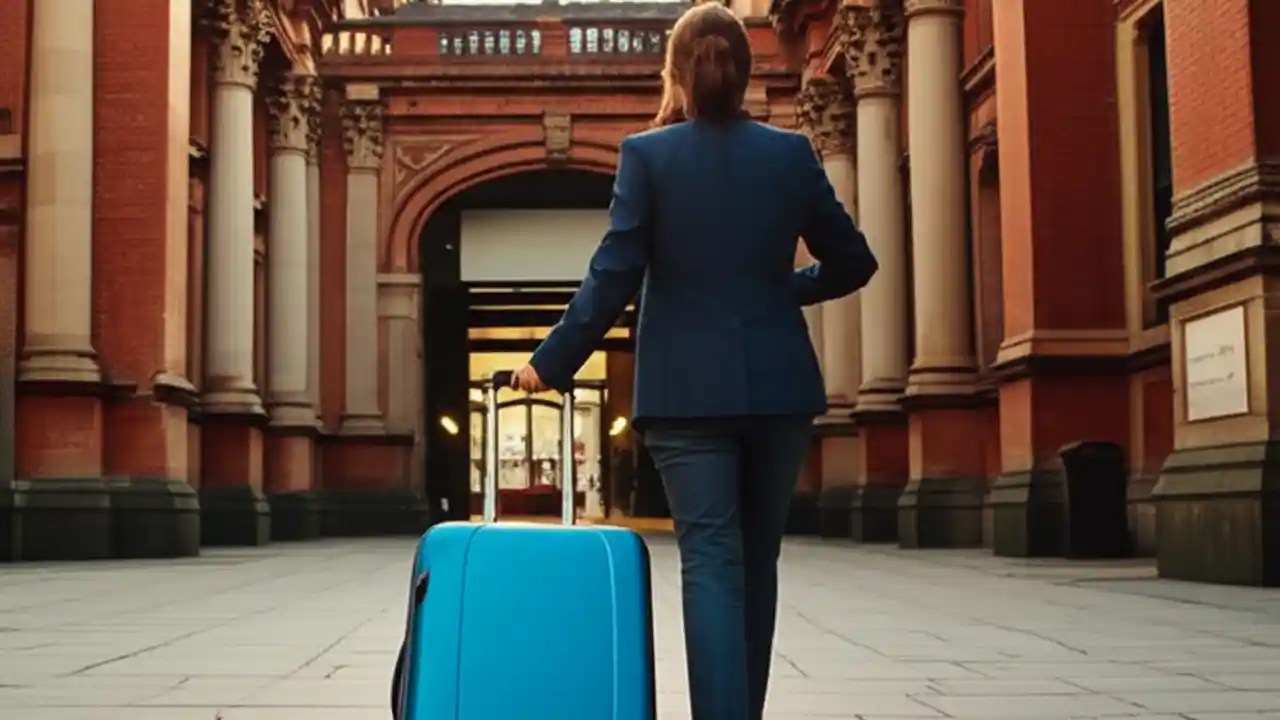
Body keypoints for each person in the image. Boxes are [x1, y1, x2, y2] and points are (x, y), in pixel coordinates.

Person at [510, 3, 877, 717]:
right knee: (757, 563)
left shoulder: (649, 157)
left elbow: (613, 273)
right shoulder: (790, 154)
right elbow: (854, 262)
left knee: (711, 562)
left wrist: (549, 364)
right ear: (744, 74)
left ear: (675, 74)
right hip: (778, 389)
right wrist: (782, 291)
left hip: (683, 395)